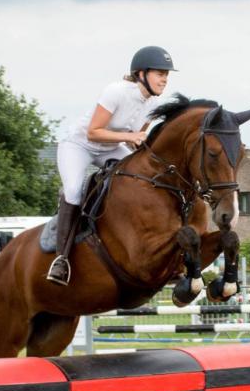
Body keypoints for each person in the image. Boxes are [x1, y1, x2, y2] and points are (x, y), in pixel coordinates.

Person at [49, 45, 176, 286]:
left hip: (111, 148)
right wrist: (130, 139)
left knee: (141, 181)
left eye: (166, 74)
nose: (165, 79)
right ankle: (61, 259)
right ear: (141, 74)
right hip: (79, 146)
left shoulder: (152, 106)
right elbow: (94, 132)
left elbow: (136, 141)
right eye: (160, 73)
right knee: (74, 191)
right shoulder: (116, 92)